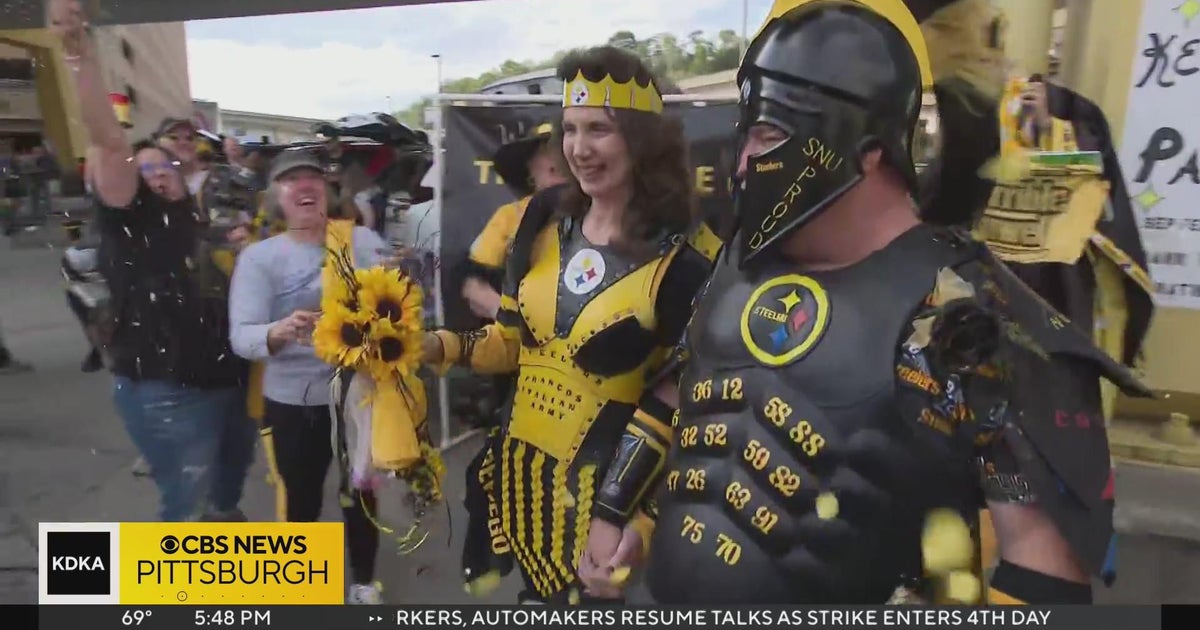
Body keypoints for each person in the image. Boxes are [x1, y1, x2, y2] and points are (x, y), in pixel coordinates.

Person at [580, 0, 1152, 605]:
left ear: (866, 149)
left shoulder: (976, 319)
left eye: (769, 133)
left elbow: (1044, 571)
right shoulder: (738, 261)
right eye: (745, 132)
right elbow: (680, 396)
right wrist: (623, 521)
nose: (742, 159)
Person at [420, 45, 720, 604]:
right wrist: (433, 345)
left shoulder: (691, 258)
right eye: (571, 128)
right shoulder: (543, 216)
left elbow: (694, 410)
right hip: (520, 491)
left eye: (600, 129)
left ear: (644, 138)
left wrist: (643, 522)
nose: (579, 149)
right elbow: (512, 344)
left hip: (609, 519)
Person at [48, 0, 255, 522]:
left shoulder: (193, 221)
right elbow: (107, 137)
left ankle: (236, 583)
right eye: (145, 167)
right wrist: (80, 56)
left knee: (226, 499)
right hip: (168, 387)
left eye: (165, 166)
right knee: (187, 506)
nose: (157, 172)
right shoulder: (129, 215)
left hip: (228, 380)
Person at [228, 150, 389, 605]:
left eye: (313, 179)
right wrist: (277, 331)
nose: (304, 186)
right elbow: (242, 336)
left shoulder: (363, 241)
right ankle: (299, 582)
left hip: (358, 397)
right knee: (300, 497)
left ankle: (362, 581)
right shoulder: (261, 259)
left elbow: (402, 302)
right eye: (290, 179)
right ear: (276, 198)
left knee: (360, 492)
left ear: (327, 191)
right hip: (294, 401)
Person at [455, 119, 568, 595]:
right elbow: (470, 281)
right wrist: (518, 316)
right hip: (521, 369)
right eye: (550, 161)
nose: (562, 164)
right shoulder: (512, 219)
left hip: (596, 381)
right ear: (533, 173)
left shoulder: (616, 217)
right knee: (518, 482)